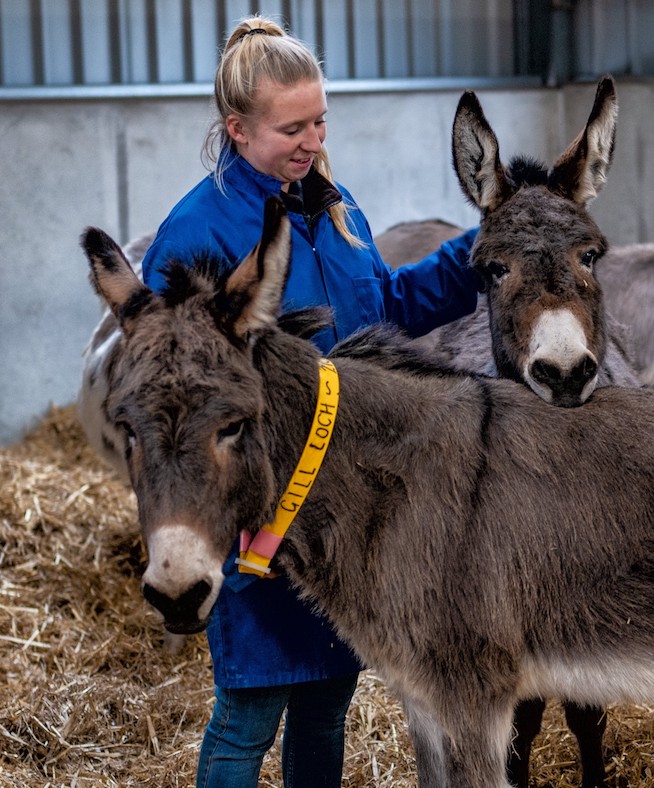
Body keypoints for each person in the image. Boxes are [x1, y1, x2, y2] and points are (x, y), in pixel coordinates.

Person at [136, 15, 479, 787]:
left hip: (348, 511)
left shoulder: (331, 204)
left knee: (327, 703)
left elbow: (386, 303)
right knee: (249, 711)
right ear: (236, 126)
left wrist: (475, 252)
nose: (313, 139)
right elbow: (169, 392)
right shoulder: (196, 232)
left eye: (320, 119)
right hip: (259, 506)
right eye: (291, 127)